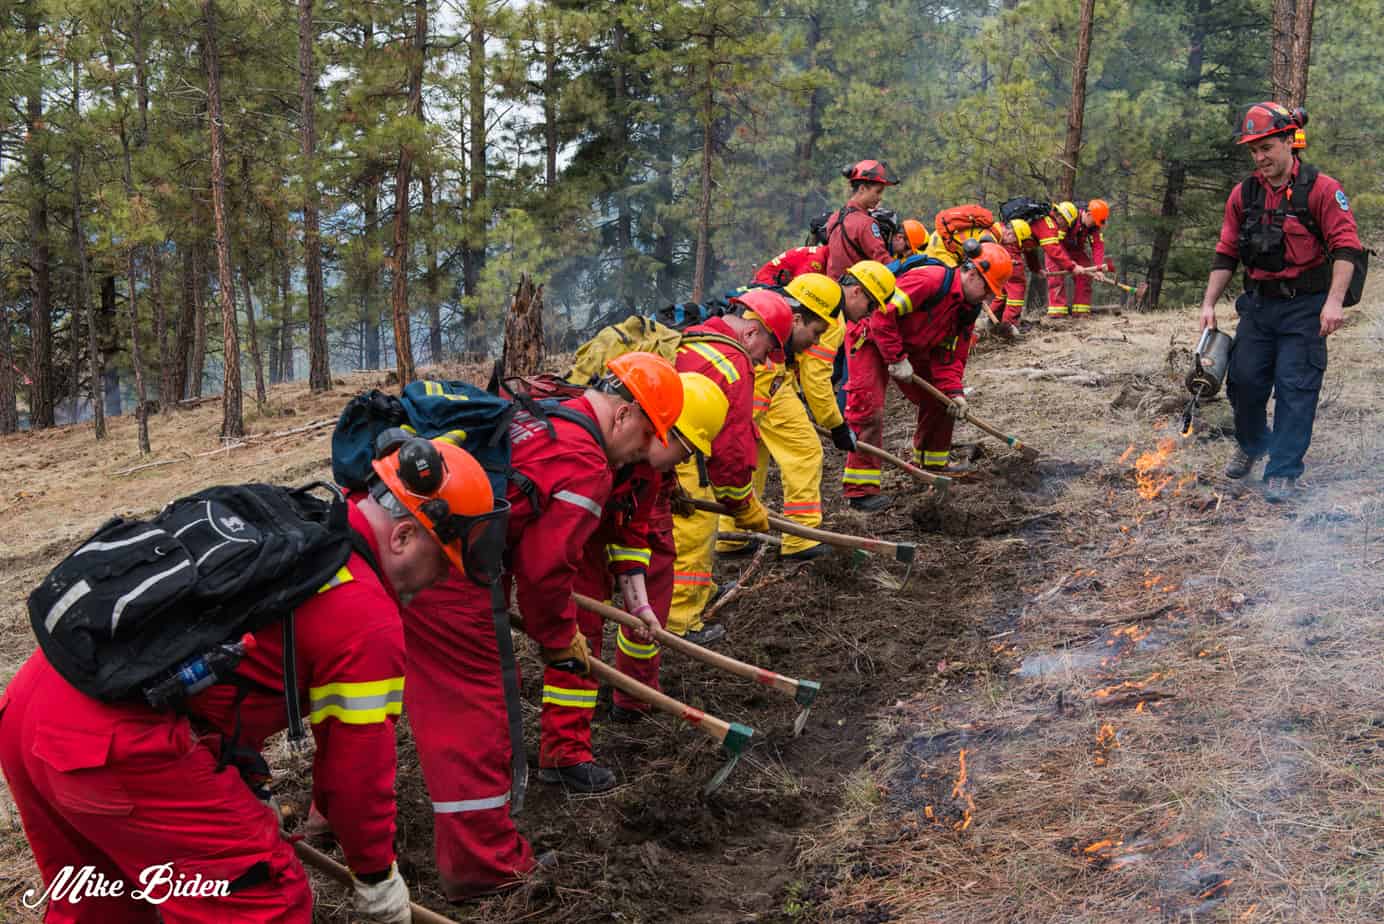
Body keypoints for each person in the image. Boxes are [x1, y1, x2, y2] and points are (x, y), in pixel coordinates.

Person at [0, 438, 496, 923]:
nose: (443, 580)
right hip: (108, 749)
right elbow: (356, 775)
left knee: (103, 907)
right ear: (404, 536)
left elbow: (210, 670)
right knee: (264, 902)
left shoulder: (294, 519)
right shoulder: (368, 619)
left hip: (33, 705)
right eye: (443, 561)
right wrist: (376, 875)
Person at [402, 354, 686, 900]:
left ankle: (327, 816)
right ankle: (484, 867)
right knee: (477, 713)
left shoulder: (548, 413)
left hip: (411, 538)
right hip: (442, 567)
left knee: (360, 696)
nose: (646, 451)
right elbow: (545, 570)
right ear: (624, 413)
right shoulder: (585, 462)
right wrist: (559, 642)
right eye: (648, 434)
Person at [538, 372, 729, 790]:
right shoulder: (587, 452)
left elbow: (631, 535)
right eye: (685, 449)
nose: (683, 461)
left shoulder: (648, 472)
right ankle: (563, 753)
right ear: (663, 429)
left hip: (585, 530)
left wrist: (638, 606)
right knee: (578, 634)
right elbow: (547, 554)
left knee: (581, 634)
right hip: (568, 539)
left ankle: (574, 742)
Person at [1198, 102, 1363, 501]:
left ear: (1290, 141)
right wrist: (1208, 304)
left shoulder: (1322, 190)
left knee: (1295, 387)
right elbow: (1226, 253)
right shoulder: (1244, 194)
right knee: (1244, 382)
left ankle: (1284, 470)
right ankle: (1253, 445)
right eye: (1253, 150)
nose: (1260, 158)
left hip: (1306, 306)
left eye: (1267, 147)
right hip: (1257, 305)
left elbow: (1348, 250)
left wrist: (1334, 302)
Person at [668, 289, 800, 644]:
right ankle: (680, 622)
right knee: (693, 536)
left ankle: (702, 591)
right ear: (752, 332)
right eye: (766, 350)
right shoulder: (734, 362)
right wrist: (742, 506)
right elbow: (731, 447)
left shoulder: (696, 337)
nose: (761, 362)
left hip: (667, 450)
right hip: (686, 459)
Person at [842, 242, 1013, 508]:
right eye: (988, 290)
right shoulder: (929, 280)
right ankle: (861, 491)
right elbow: (881, 316)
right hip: (872, 340)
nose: (989, 299)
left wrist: (955, 392)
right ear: (972, 274)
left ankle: (931, 465)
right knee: (869, 411)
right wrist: (896, 358)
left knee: (943, 402)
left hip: (912, 348)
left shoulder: (967, 310)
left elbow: (950, 357)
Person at [716, 272, 846, 562]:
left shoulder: (766, 320)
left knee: (754, 456)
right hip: (770, 383)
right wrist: (836, 424)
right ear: (797, 319)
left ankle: (733, 534)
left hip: (777, 383)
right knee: (799, 451)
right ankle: (801, 537)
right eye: (815, 333)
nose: (814, 343)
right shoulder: (761, 349)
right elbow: (816, 379)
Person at [824, 159, 899, 277]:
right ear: (862, 189)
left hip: (834, 289)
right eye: (878, 192)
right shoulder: (866, 223)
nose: (880, 198)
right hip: (857, 292)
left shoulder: (834, 217)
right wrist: (906, 268)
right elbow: (882, 261)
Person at [1039, 199, 1108, 318]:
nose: (1096, 225)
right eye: (1095, 222)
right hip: (1057, 250)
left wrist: (1098, 268)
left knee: (1086, 272)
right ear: (1088, 214)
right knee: (1056, 277)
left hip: (1076, 250)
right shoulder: (1068, 216)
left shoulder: (1094, 226)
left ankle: (1081, 313)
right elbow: (1056, 245)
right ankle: (1057, 314)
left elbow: (1098, 246)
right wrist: (1071, 264)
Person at [991, 218, 1044, 338]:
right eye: (1015, 241)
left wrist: (1036, 269)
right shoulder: (992, 234)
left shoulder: (999, 232)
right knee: (1017, 290)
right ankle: (1008, 326)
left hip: (999, 268)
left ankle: (992, 320)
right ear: (1010, 233)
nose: (1015, 244)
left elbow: (1029, 252)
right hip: (1003, 267)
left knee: (1001, 294)